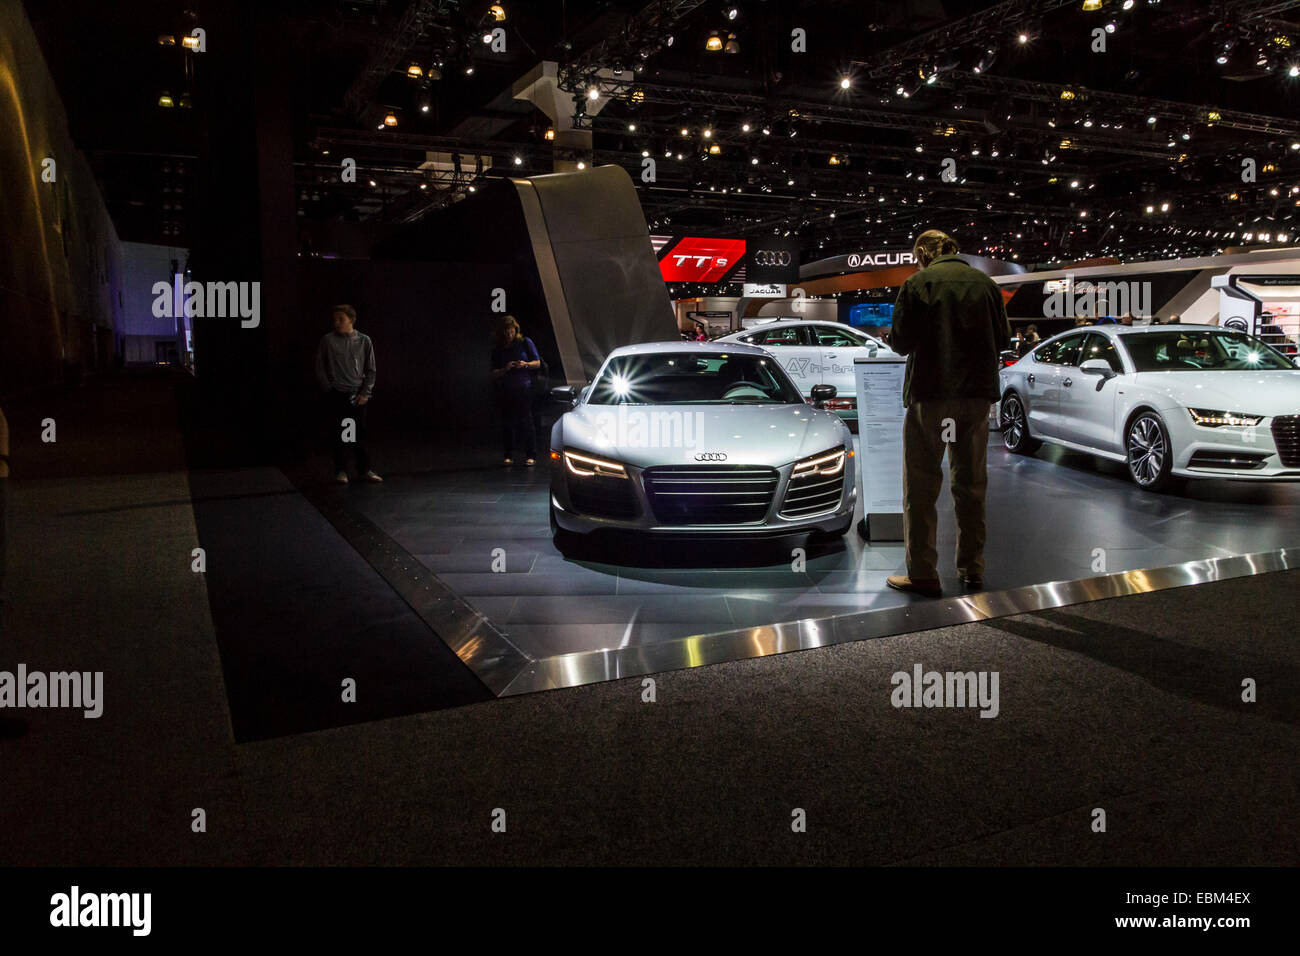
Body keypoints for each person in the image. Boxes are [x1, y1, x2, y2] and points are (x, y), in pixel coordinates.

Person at [886, 229, 1010, 598]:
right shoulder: (986, 285)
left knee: (921, 488)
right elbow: (1002, 339)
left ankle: (923, 574)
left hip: (932, 396)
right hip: (974, 399)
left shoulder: (918, 283)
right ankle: (972, 570)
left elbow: (901, 343)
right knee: (970, 486)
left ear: (924, 252)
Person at [315, 304, 382, 484]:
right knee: (340, 434)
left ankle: (364, 469)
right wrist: (329, 389)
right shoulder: (328, 340)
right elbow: (320, 366)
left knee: (359, 433)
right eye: (335, 320)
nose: (337, 323)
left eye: (341, 320)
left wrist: (365, 393)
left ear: (351, 320)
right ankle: (341, 471)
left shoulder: (364, 340)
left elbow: (371, 369)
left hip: (357, 395)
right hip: (337, 394)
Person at [491, 315, 541, 466]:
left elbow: (537, 363)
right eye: (506, 332)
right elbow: (493, 373)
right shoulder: (497, 349)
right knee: (507, 423)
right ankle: (508, 454)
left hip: (524, 387)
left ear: (515, 330)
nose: (509, 335)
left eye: (511, 332)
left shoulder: (525, 343)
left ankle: (531, 455)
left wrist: (525, 364)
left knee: (527, 421)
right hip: (506, 389)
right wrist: (505, 368)